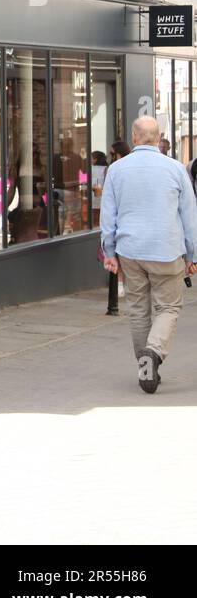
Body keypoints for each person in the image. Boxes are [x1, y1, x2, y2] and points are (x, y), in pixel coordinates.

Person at [100, 117, 197, 393]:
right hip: (167, 250)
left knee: (138, 310)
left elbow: (109, 216)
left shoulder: (116, 170)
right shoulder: (176, 169)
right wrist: (193, 255)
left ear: (134, 137)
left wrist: (109, 251)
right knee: (168, 307)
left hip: (130, 251)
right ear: (158, 138)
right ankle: (153, 353)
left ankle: (145, 368)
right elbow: (190, 217)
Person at [102, 140, 130, 315]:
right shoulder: (111, 169)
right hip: (118, 217)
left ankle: (120, 286)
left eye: (112, 154)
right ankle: (119, 286)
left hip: (124, 216)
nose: (110, 157)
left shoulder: (120, 169)